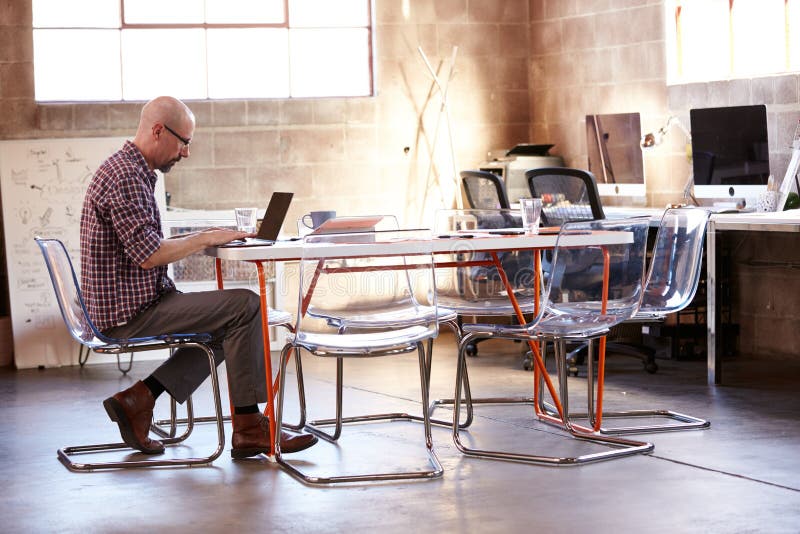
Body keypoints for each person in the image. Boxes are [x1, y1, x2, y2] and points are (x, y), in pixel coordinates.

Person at [80, 96, 317, 458]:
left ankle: (141, 398)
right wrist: (205, 238)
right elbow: (149, 256)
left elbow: (146, 243)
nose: (186, 153)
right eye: (184, 142)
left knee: (231, 322)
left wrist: (207, 233)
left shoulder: (129, 170)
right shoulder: (126, 177)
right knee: (245, 307)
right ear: (159, 130)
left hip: (137, 304)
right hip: (129, 314)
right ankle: (249, 427)